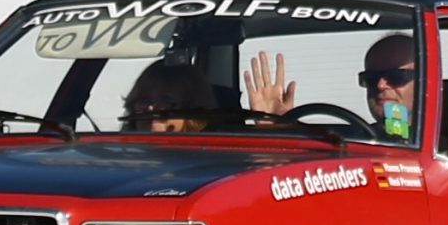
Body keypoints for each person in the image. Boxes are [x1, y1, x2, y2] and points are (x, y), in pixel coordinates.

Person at [244, 33, 417, 140]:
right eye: (371, 78)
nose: (380, 85)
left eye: (396, 76)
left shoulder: (442, 149)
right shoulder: (350, 142)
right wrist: (277, 131)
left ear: (425, 81)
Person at [121, 60, 216, 135]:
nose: (150, 108)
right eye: (144, 99)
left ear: (193, 111)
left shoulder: (210, 158)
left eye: (166, 100)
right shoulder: (117, 155)